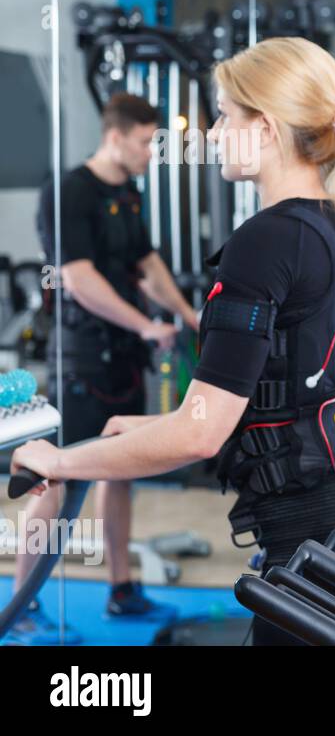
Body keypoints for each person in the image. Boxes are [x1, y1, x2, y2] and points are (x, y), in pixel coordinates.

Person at [11, 36, 335, 646]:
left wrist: (59, 460)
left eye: (224, 117)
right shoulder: (330, 224)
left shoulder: (266, 238)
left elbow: (202, 433)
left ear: (264, 127)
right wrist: (148, 430)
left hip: (332, 545)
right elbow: (270, 405)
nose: (210, 135)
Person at [5, 94, 199, 645]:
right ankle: (22, 604)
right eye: (145, 142)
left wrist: (187, 315)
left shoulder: (127, 193)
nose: (150, 153)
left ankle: (121, 589)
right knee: (56, 478)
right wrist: (144, 324)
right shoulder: (67, 192)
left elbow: (147, 263)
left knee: (120, 472)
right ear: (116, 137)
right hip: (84, 358)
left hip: (126, 357)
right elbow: (79, 279)